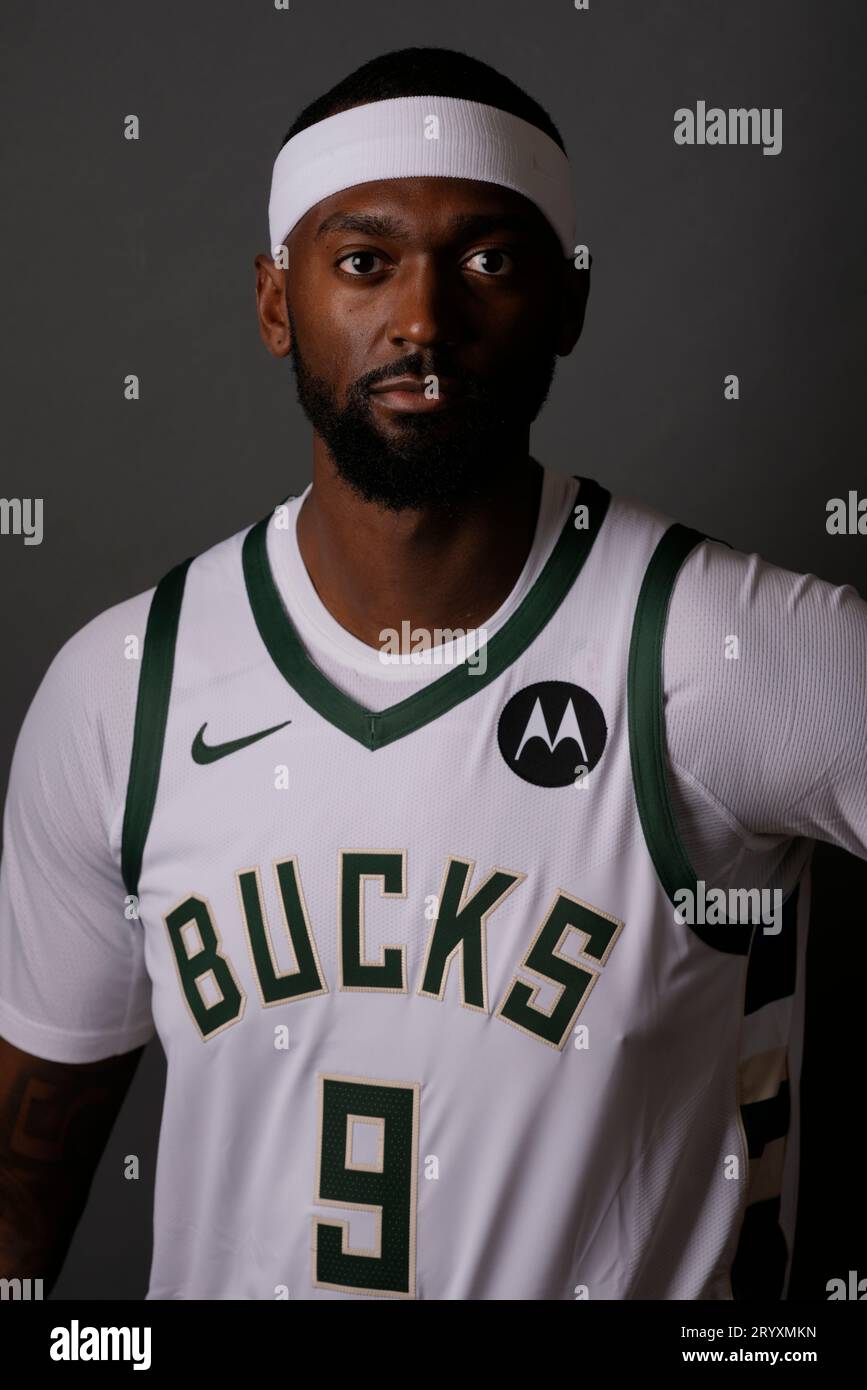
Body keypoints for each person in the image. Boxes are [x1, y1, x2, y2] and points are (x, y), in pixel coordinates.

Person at [1, 46, 865, 1301]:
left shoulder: (719, 650)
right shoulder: (122, 691)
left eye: (489, 260)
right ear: (273, 300)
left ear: (567, 304)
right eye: (363, 263)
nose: (422, 320)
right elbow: (26, 1179)